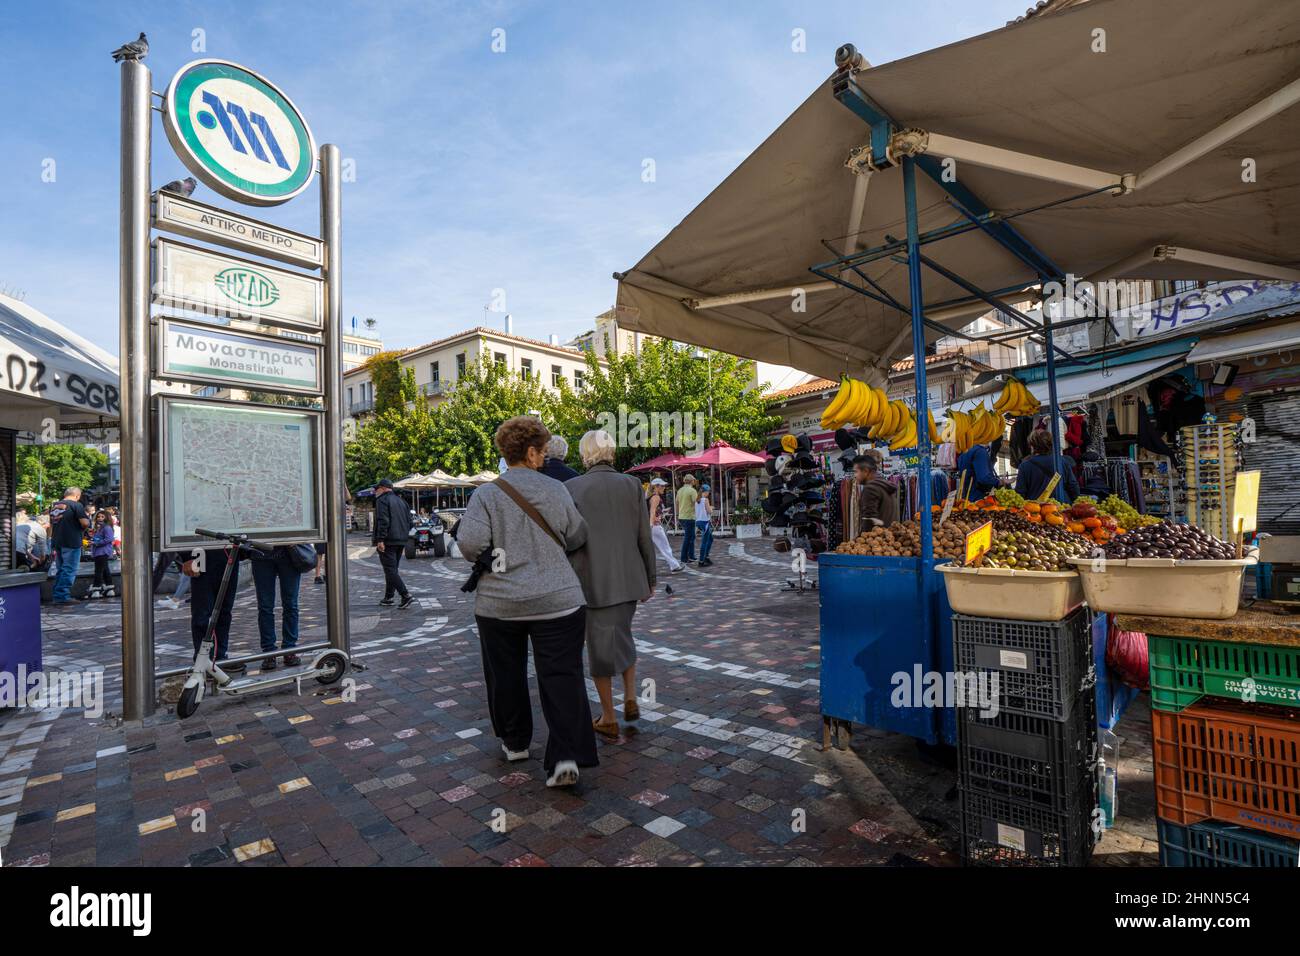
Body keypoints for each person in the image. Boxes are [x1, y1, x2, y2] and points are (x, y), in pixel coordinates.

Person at [457, 415, 596, 788]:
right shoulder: (555, 489)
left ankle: (515, 742)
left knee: (505, 675)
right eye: (543, 450)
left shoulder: (486, 494)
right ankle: (564, 757)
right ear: (532, 451)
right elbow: (577, 533)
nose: (544, 456)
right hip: (558, 600)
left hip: (500, 603)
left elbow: (469, 543)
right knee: (562, 676)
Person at [566, 429, 656, 739]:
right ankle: (630, 696)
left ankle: (608, 715)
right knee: (624, 636)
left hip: (592, 582)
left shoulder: (571, 488)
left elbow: (571, 539)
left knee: (600, 651)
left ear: (585, 454)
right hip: (630, 580)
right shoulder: (632, 485)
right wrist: (650, 579)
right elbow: (644, 537)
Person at [185, 543, 246, 674]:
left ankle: (220, 658)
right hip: (201, 556)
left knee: (224, 612)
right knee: (201, 615)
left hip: (229, 557)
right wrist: (185, 558)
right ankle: (202, 659)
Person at [251, 546, 303, 670]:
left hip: (290, 552)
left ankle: (289, 649)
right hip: (260, 554)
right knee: (265, 607)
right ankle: (269, 651)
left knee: (291, 605)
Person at [372, 477, 414, 608]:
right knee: (392, 570)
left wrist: (380, 539)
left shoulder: (382, 500)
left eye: (377, 489)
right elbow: (410, 522)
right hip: (401, 540)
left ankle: (405, 595)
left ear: (383, 488)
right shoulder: (402, 502)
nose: (375, 492)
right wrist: (403, 534)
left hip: (388, 540)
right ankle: (388, 597)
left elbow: (383, 520)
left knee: (390, 570)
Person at [1015, 428, 1080, 504]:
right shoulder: (1061, 461)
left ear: (1032, 445)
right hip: (1061, 507)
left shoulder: (1025, 465)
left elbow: (1020, 493)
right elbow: (1073, 486)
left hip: (1036, 509)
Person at [49, 487, 90, 604]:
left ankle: (57, 595)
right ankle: (62, 596)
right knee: (69, 569)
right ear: (77, 496)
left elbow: (51, 525)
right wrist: (85, 526)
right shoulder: (76, 505)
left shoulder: (55, 505)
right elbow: (84, 522)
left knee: (61, 569)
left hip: (57, 541)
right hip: (71, 541)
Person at [852, 455, 899, 533]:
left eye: (856, 471)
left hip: (876, 540)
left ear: (866, 471)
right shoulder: (884, 484)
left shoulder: (870, 489)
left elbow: (869, 519)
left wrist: (863, 539)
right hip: (889, 538)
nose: (854, 475)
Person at [646, 478, 682, 572]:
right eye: (662, 486)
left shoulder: (652, 497)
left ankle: (674, 565)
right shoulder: (656, 497)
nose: (664, 488)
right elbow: (652, 511)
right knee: (665, 546)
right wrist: (651, 524)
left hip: (654, 525)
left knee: (662, 547)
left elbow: (653, 511)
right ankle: (674, 566)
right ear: (656, 487)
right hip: (655, 526)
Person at [85, 511, 117, 599]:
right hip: (99, 552)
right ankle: (109, 588)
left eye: (102, 517)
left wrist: (95, 543)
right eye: (98, 517)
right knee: (105, 570)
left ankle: (96, 589)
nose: (100, 518)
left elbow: (109, 539)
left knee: (98, 571)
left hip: (102, 552)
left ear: (107, 518)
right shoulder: (100, 528)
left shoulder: (107, 528)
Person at [675, 475, 699, 564]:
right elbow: (696, 502)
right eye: (694, 480)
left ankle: (691, 556)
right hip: (689, 516)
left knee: (691, 536)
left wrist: (678, 514)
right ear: (692, 481)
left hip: (682, 516)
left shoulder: (680, 490)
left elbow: (677, 503)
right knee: (688, 537)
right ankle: (684, 557)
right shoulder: (692, 491)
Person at [695, 482, 715, 567]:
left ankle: (706, 556)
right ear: (706, 492)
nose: (709, 493)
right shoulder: (705, 500)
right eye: (709, 492)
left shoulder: (697, 500)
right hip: (704, 522)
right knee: (705, 541)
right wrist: (711, 508)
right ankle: (702, 560)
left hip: (698, 521)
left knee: (710, 539)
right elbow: (709, 511)